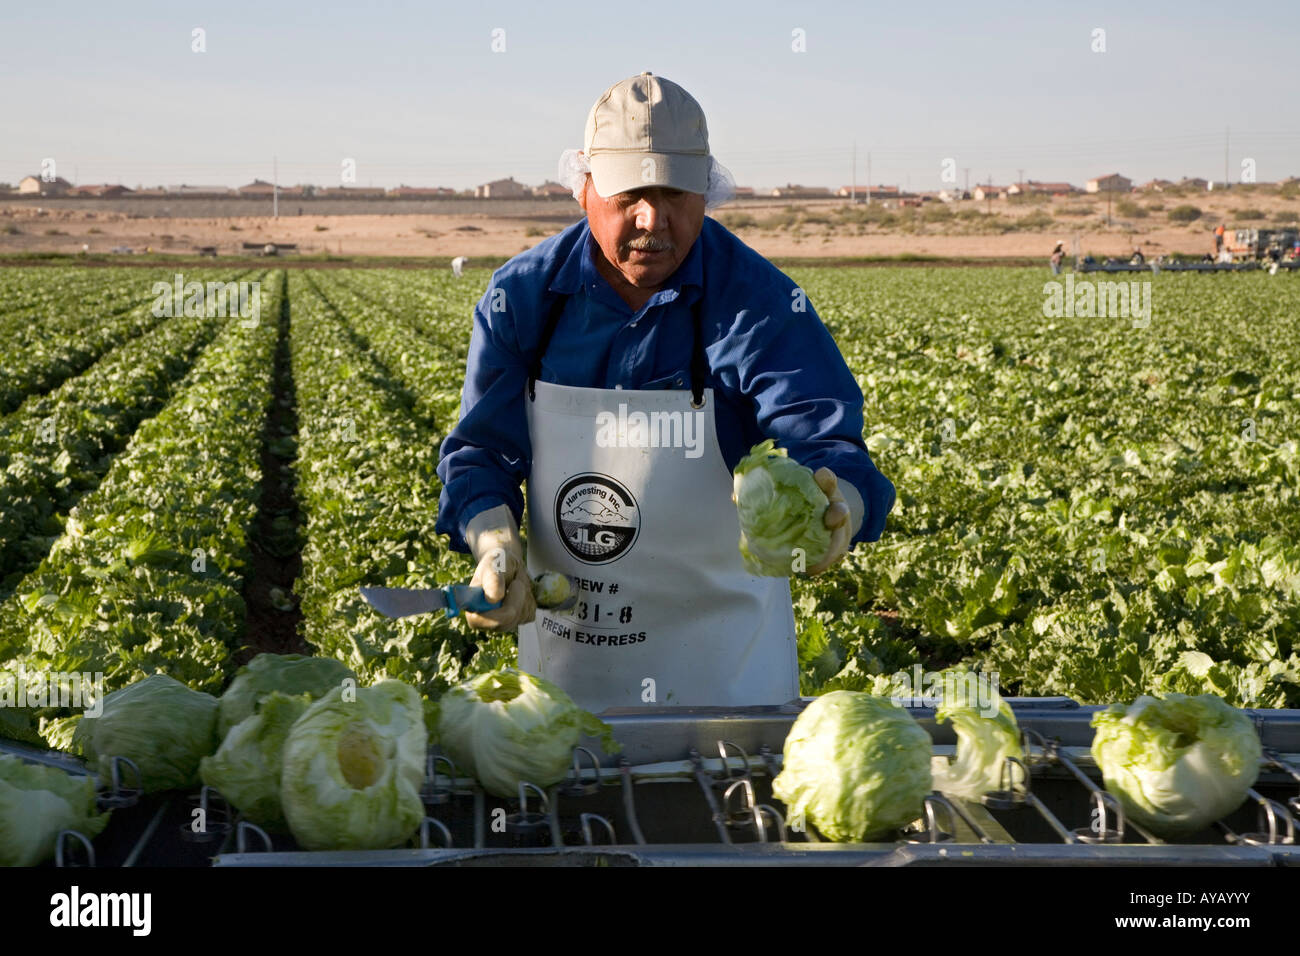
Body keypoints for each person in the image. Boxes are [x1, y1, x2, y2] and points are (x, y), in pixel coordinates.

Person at [435, 72, 895, 712]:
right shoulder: (524, 298)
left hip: (725, 687)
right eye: (630, 194)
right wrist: (493, 544)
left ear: (706, 193)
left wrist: (837, 506)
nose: (653, 219)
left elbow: (827, 441)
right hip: (566, 684)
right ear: (586, 190)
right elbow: (480, 453)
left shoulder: (759, 305)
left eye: (676, 193)